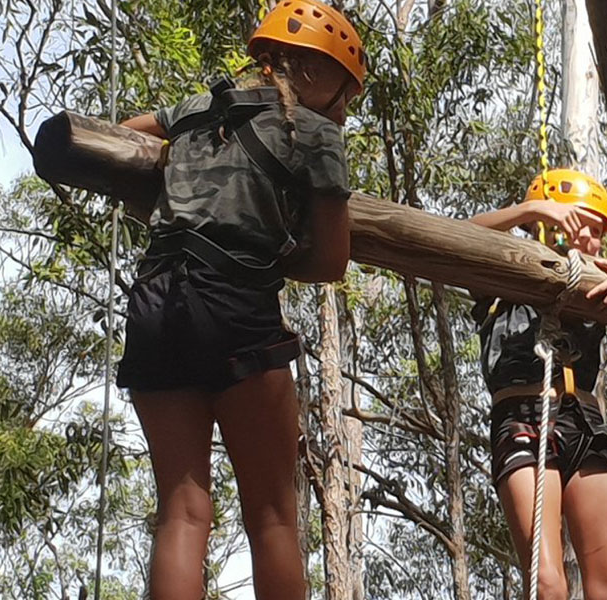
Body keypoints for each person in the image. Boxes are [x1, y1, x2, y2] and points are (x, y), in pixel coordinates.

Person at [112, 1, 363, 597]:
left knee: (181, 510)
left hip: (156, 301)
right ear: (315, 72)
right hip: (235, 308)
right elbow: (331, 261)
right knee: (273, 514)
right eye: (347, 92)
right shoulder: (317, 134)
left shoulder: (199, 109)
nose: (346, 108)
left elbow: (124, 132)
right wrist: (277, 253)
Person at [464, 168, 607, 600]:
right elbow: (457, 234)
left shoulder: (604, 278)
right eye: (581, 226)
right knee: (548, 585)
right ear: (551, 225)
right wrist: (531, 209)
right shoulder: (501, 267)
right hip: (525, 418)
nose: (591, 240)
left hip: (587, 424)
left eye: (598, 231)